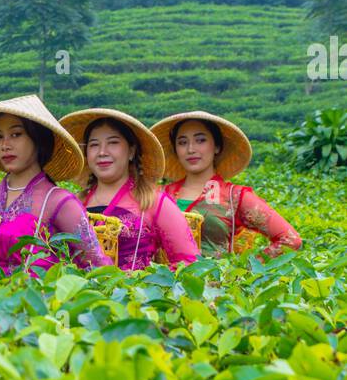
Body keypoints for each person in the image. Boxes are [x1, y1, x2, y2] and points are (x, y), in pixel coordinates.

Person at [0, 93, 111, 274]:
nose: (5, 145)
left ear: (38, 139)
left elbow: (95, 263)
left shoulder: (59, 202)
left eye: (16, 134)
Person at [60, 108, 200, 270]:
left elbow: (191, 264)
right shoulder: (74, 204)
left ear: (131, 151)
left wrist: (147, 282)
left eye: (113, 143)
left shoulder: (153, 202)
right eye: (94, 145)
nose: (102, 152)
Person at [151, 111, 302, 256]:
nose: (191, 149)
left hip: (215, 282)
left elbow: (290, 239)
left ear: (216, 147)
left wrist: (248, 268)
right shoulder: (158, 195)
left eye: (200, 140)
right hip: (162, 281)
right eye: (182, 142)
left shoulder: (234, 196)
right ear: (176, 150)